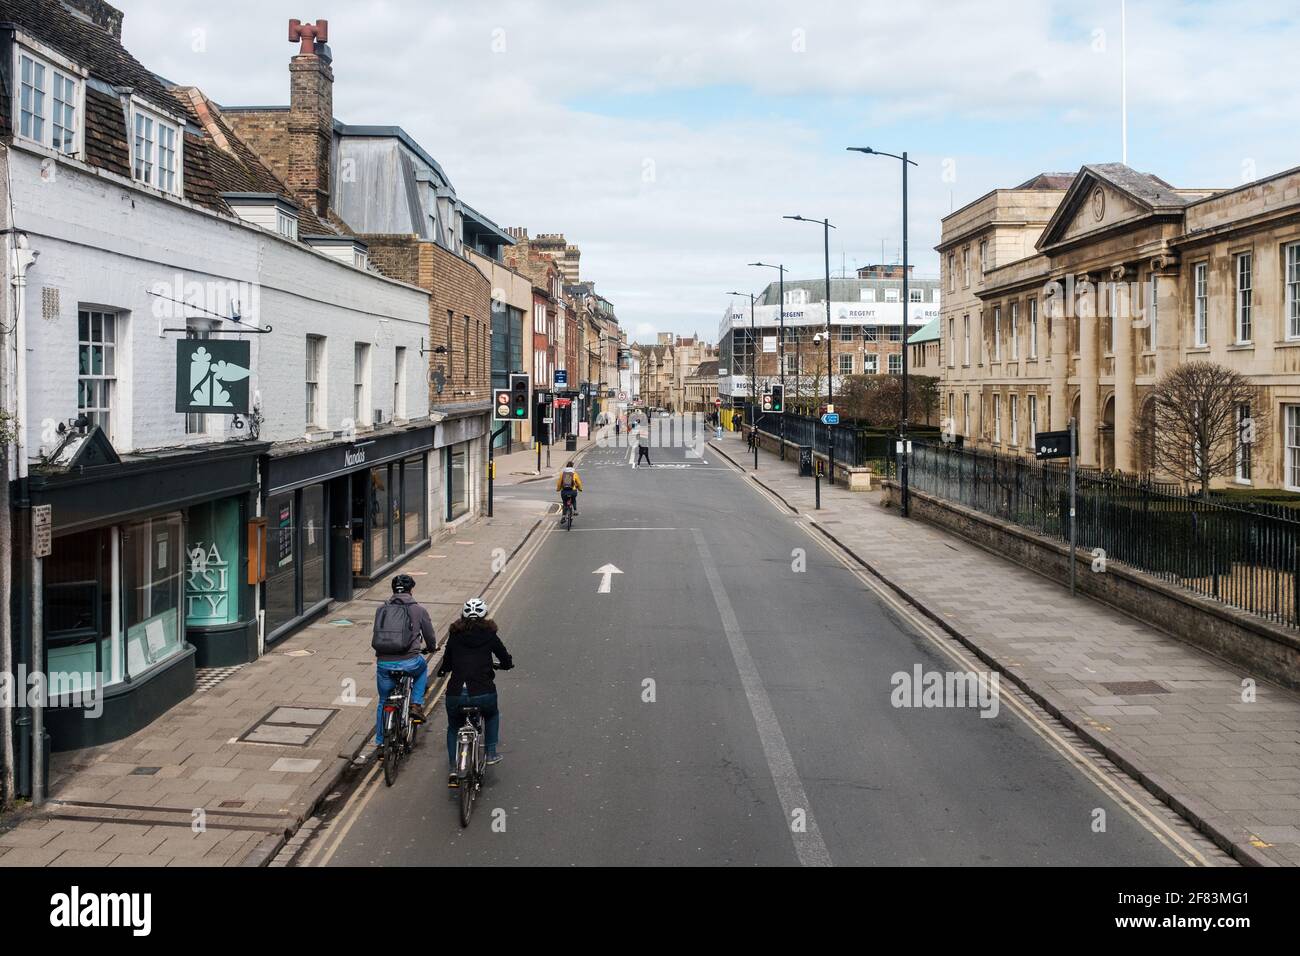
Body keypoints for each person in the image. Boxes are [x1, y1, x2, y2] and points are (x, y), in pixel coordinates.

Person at [439, 598, 513, 787]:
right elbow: (504, 656)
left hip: (456, 693)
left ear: (463, 615)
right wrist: (506, 664)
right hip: (483, 693)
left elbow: (446, 662)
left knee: (453, 727)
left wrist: (444, 670)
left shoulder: (455, 635)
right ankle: (490, 753)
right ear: (484, 615)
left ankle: (454, 767)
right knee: (492, 715)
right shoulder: (489, 634)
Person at [372, 573, 437, 754]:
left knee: (384, 701)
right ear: (411, 590)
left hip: (384, 663)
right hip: (410, 661)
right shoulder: (418, 609)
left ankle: (380, 742)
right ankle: (416, 703)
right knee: (422, 669)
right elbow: (430, 635)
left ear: (393, 590)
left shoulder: (381, 609)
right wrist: (431, 647)